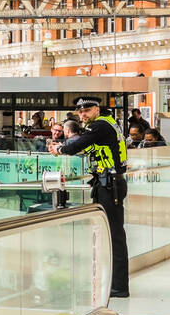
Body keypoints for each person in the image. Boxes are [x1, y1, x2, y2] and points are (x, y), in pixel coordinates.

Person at [51, 96, 129, 297]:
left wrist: (59, 149)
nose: (82, 114)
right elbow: (87, 146)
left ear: (96, 109)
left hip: (110, 184)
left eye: (86, 110)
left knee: (114, 234)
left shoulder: (101, 125)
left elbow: (78, 145)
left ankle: (119, 286)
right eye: (80, 111)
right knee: (108, 233)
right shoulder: (105, 124)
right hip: (106, 183)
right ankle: (112, 280)